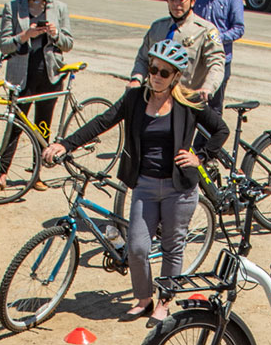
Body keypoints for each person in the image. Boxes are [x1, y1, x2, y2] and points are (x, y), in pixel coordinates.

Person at [46, 40, 226, 322]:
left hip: (179, 188)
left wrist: (200, 157)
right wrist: (65, 144)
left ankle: (164, 301)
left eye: (164, 72)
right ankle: (144, 299)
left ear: (176, 76)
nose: (156, 76)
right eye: (153, 69)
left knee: (172, 246)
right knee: (138, 247)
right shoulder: (134, 99)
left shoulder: (188, 102)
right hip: (145, 185)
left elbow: (220, 130)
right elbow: (101, 122)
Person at [0, 0, 74, 198]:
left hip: (49, 75)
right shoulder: (13, 7)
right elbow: (4, 45)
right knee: (15, 125)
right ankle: (2, 175)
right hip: (21, 75)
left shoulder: (59, 8)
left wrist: (55, 34)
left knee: (42, 126)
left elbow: (68, 44)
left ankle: (36, 174)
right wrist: (25, 35)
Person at [129, 0, 225, 98]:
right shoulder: (157, 28)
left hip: (186, 99)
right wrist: (136, 79)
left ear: (192, 1)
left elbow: (216, 63)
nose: (176, 3)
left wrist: (208, 87)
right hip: (155, 97)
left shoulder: (205, 31)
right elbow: (143, 59)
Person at [191, 0, 246, 105]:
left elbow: (239, 28)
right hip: (198, 60)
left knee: (214, 106)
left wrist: (217, 38)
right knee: (194, 102)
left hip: (221, 60)